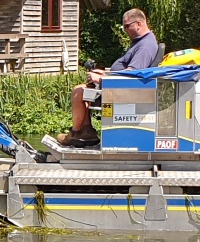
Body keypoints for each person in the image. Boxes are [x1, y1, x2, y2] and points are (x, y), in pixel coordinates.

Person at [62, 8, 159, 147]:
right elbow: (127, 70)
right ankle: (87, 132)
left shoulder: (145, 46)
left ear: (138, 24)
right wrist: (105, 73)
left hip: (125, 91)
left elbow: (131, 76)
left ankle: (76, 134)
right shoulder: (141, 42)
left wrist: (100, 79)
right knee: (86, 90)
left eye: (127, 26)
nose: (125, 30)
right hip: (117, 85)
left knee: (79, 91)